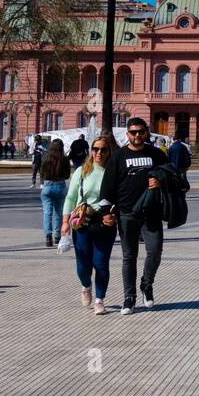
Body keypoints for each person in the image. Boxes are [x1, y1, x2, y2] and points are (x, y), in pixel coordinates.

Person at [100, 117, 170, 315]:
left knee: (155, 251)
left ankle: (146, 285)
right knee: (129, 257)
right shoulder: (118, 157)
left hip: (152, 212)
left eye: (140, 131)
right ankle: (129, 297)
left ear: (146, 132)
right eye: (133, 132)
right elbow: (107, 186)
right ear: (127, 134)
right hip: (126, 213)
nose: (137, 135)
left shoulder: (157, 154)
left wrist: (161, 182)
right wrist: (106, 212)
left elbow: (172, 177)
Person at [62, 132, 116, 315]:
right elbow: (70, 197)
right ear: (91, 151)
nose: (98, 153)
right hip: (82, 221)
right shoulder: (82, 171)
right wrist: (64, 222)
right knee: (83, 263)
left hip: (105, 222)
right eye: (95, 149)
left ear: (109, 151)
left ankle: (100, 299)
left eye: (103, 149)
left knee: (101, 263)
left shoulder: (113, 172)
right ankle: (86, 285)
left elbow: (121, 197)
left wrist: (114, 214)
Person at [38, 139, 70, 247]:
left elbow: (41, 173)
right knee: (58, 212)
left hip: (47, 186)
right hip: (60, 186)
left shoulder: (45, 159)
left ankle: (48, 237)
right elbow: (66, 175)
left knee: (47, 212)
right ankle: (57, 236)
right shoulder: (64, 160)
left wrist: (42, 183)